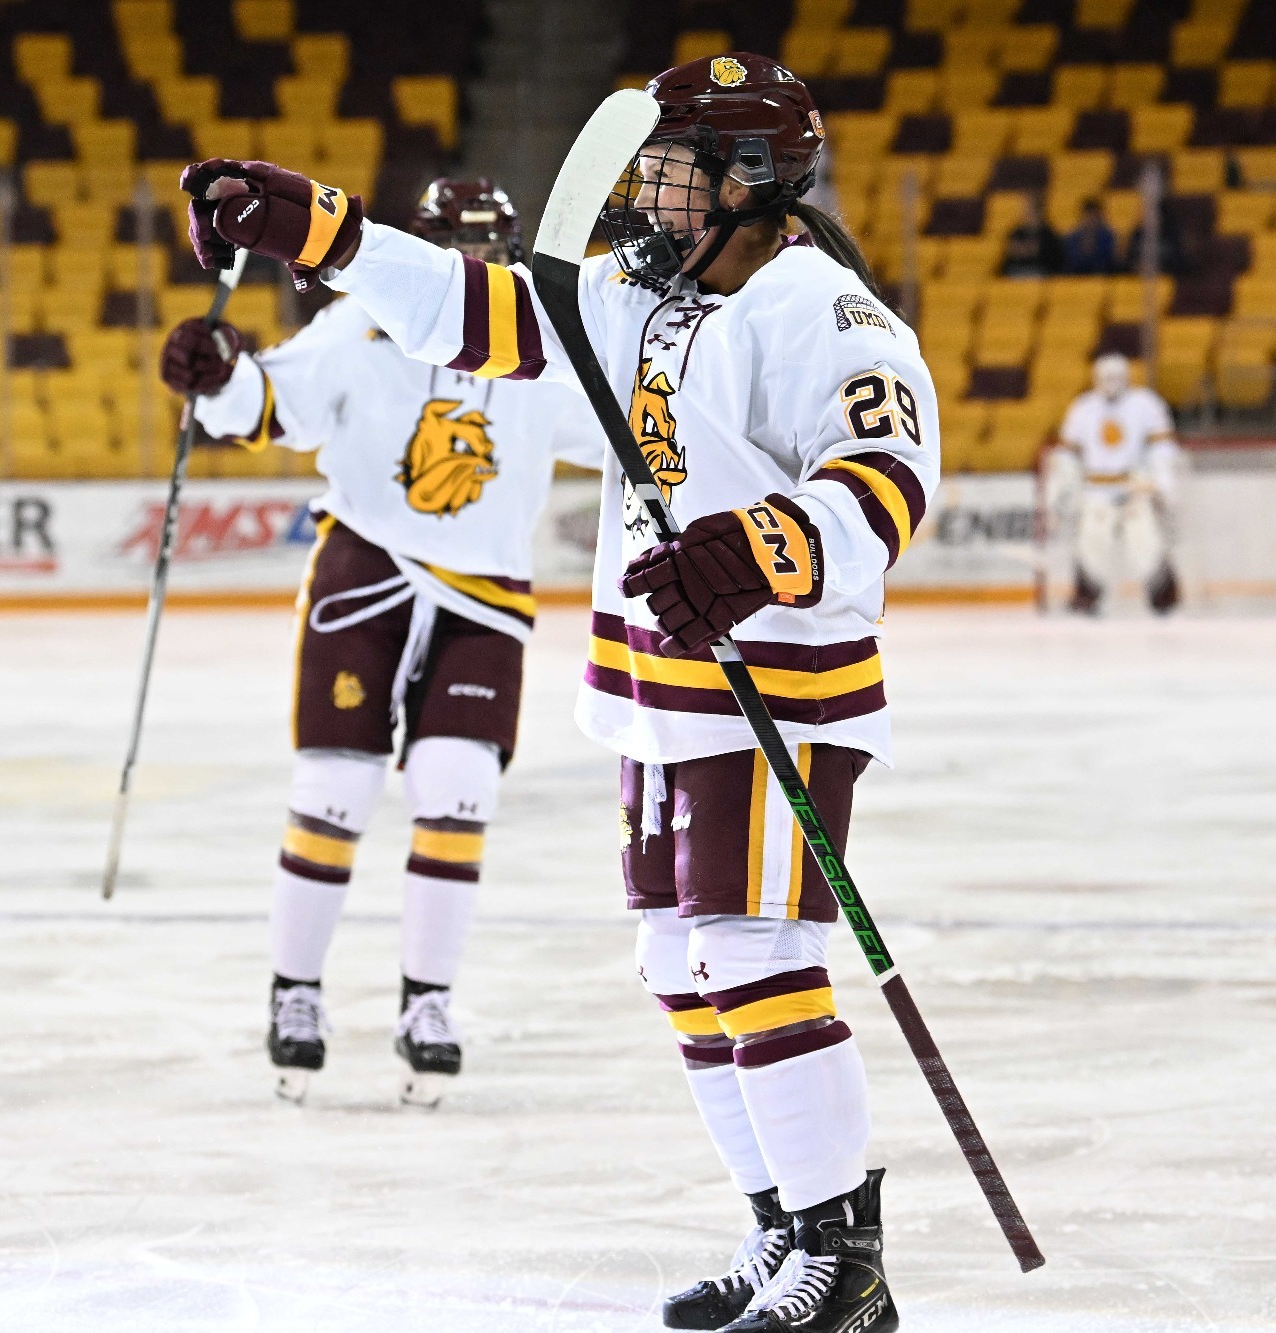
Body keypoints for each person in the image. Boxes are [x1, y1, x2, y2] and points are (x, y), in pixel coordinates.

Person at [181, 50, 936, 1333]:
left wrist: (767, 548)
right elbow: (471, 309)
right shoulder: (652, 294)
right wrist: (321, 225)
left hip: (774, 683)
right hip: (664, 690)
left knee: (752, 954)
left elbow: (886, 473)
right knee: (677, 959)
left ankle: (842, 1262)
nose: (645, 194)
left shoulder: (825, 310)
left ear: (750, 180)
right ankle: (780, 1229)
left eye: (672, 171)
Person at [161, 177, 604, 1109]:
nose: (479, 267)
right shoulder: (358, 331)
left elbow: (634, 427)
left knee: (457, 790)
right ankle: (295, 991)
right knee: (334, 791)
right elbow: (263, 406)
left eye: (492, 249)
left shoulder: (538, 348)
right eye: (461, 248)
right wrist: (218, 371)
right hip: (368, 573)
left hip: (484, 592)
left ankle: (428, 1002)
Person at [1048, 352, 1180, 614]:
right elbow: (1068, 455)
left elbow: (1161, 448)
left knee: (1146, 545)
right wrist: (1061, 490)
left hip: (1135, 487)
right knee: (1091, 544)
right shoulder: (1083, 407)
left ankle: (1164, 598)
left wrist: (1162, 483)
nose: (1111, 383)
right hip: (1096, 487)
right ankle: (1086, 597)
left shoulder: (1146, 404)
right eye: (1106, 377)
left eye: (1116, 377)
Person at [1001, 194, 1062, 277]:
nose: (1026, 214)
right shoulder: (1016, 232)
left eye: (1029, 210)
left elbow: (1052, 259)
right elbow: (1010, 254)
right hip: (1015, 271)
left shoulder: (1049, 234)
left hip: (1041, 273)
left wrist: (1024, 250)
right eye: (1025, 210)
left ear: (1039, 212)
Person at [1063, 197, 1117, 275]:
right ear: (1082, 217)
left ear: (1100, 217)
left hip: (1102, 278)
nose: (1091, 220)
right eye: (1088, 216)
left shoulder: (1108, 237)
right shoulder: (1072, 238)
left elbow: (1110, 263)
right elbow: (1070, 263)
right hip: (1076, 279)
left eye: (1094, 216)